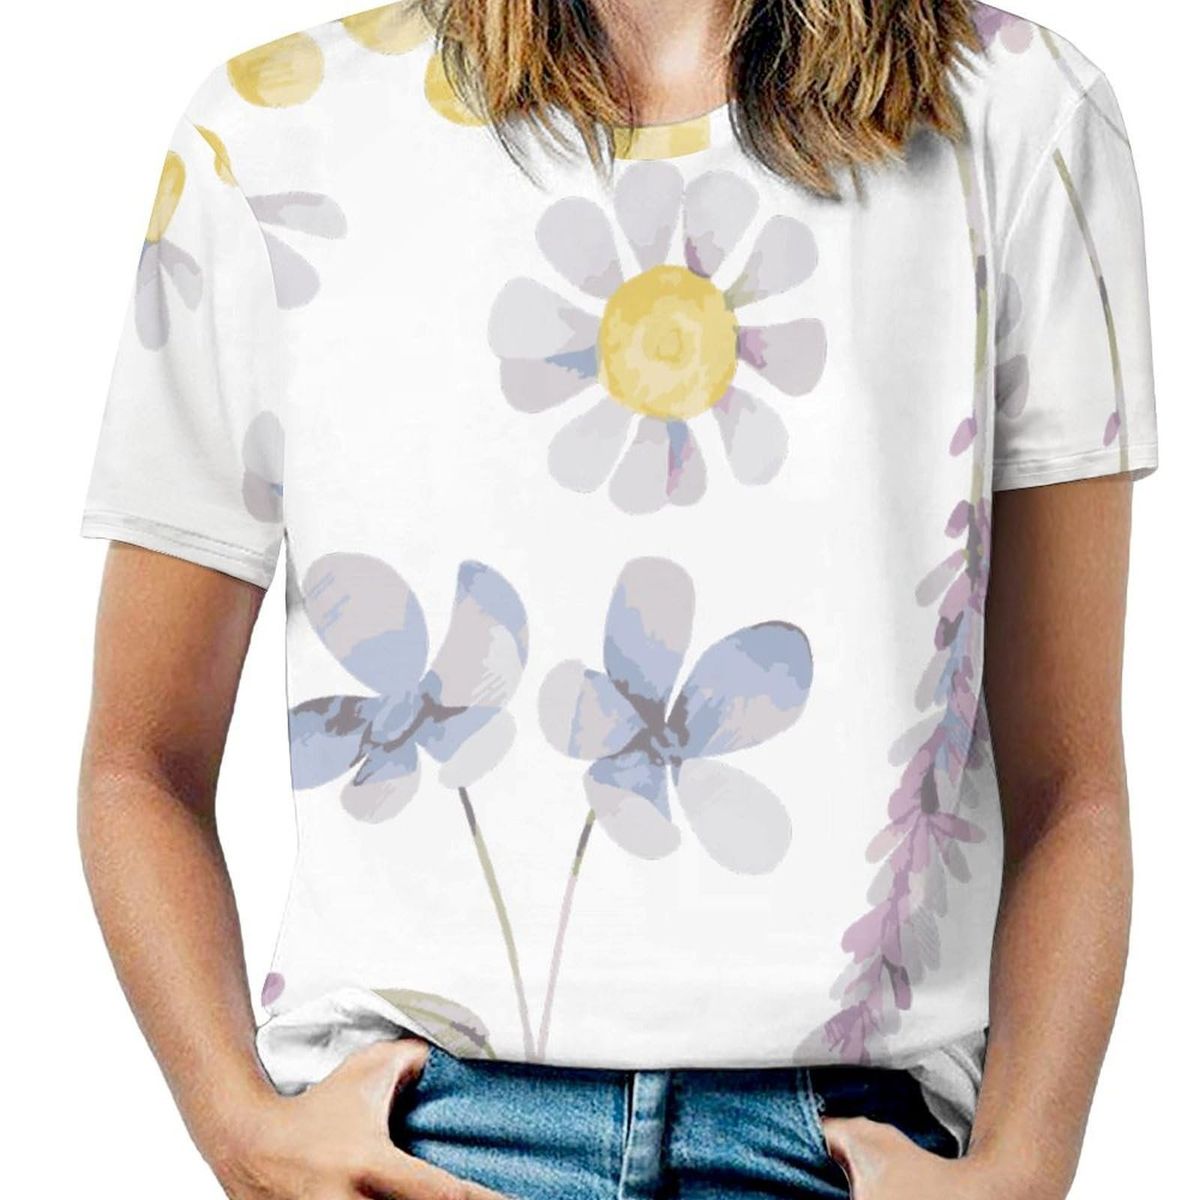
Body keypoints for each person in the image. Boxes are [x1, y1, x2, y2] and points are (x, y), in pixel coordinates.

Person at [78, 1, 1156, 1197]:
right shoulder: (277, 132)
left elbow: (1071, 786)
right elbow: (140, 761)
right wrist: (237, 1126)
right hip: (420, 1140)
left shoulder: (1018, 113)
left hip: (846, 1150)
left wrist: (1023, 1169)